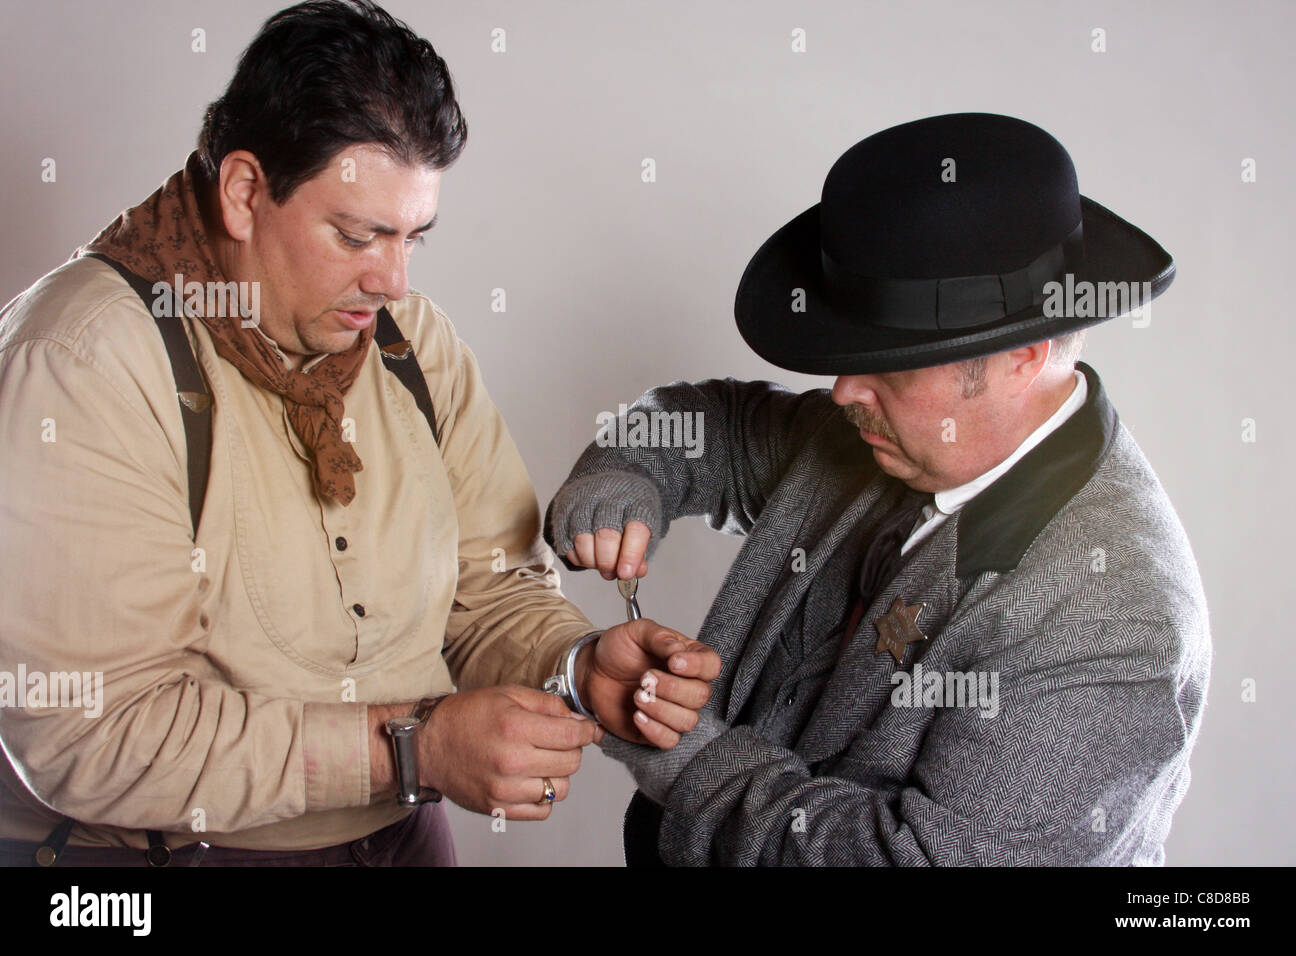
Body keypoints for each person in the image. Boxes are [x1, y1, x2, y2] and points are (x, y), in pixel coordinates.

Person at [0, 0, 718, 867]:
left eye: (415, 235)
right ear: (243, 192)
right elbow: (90, 734)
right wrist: (412, 748)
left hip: (399, 837)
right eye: (357, 235)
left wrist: (573, 664)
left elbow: (486, 593)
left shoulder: (415, 346)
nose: (393, 280)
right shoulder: (84, 361)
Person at [545, 112, 1212, 866]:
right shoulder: (888, 434)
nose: (842, 391)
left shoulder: (1114, 621)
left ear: (1022, 355)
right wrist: (630, 468)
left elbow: (909, 862)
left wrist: (691, 762)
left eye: (890, 366)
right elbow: (717, 425)